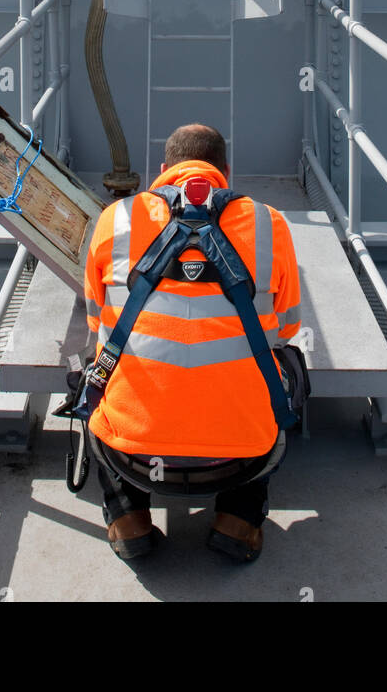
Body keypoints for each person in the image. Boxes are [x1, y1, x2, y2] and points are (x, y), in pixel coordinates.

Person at [82, 122, 302, 563]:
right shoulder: (270, 222)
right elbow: (288, 326)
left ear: (164, 170)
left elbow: (94, 320)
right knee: (288, 363)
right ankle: (237, 522)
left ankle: (128, 517)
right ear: (225, 171)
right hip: (242, 457)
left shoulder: (115, 219)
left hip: (131, 455)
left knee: (98, 367)